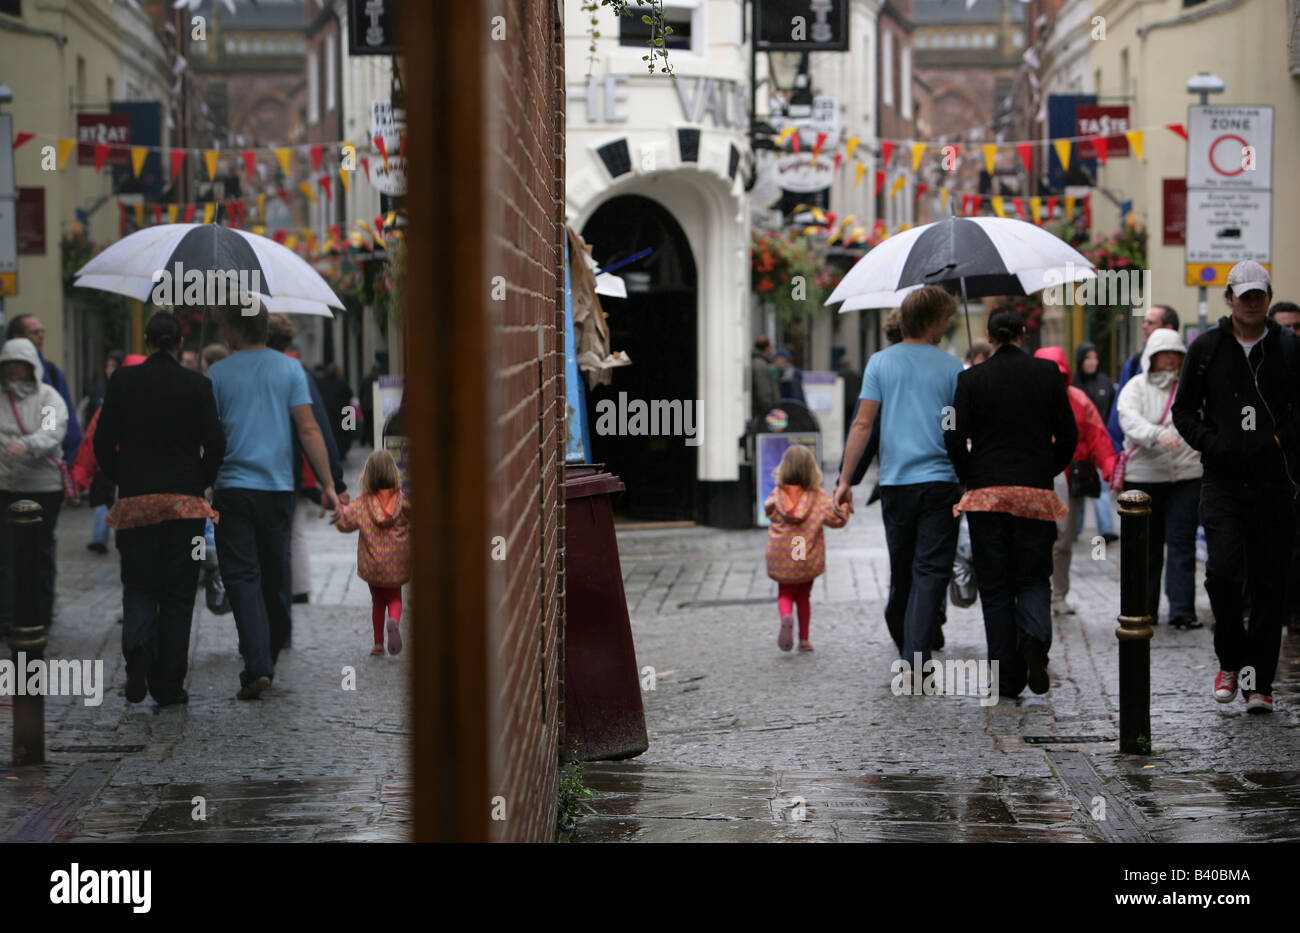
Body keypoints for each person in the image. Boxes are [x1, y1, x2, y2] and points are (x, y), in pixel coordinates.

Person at [1172, 260, 1300, 714]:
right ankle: (1230, 660)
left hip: (1273, 482)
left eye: (1258, 295)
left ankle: (1258, 683)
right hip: (1222, 481)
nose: (1251, 303)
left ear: (1268, 297)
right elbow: (1183, 411)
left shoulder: (1289, 347)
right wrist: (1212, 442)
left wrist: (1278, 440)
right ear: (1229, 299)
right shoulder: (1207, 347)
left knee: (1269, 583)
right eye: (1244, 296)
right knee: (1223, 575)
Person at [207, 304, 339, 700]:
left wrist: (203, 483)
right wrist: (329, 483)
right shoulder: (289, 369)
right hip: (279, 489)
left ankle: (258, 663)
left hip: (233, 489)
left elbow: (209, 436)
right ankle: (269, 653)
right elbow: (309, 428)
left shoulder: (217, 374)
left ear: (233, 329)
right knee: (275, 575)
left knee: (242, 578)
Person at [93, 314, 225, 706]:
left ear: (148, 341)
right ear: (179, 344)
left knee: (138, 584)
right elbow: (216, 443)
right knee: (179, 594)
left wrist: (124, 477)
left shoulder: (123, 381)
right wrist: (199, 480)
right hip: (184, 506)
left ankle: (138, 650)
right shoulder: (198, 385)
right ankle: (168, 684)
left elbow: (102, 441)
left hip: (136, 504)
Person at [945, 309, 1077, 697]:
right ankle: (1034, 638)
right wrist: (1045, 469)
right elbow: (1069, 434)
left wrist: (970, 473)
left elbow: (952, 434)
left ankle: (1006, 676)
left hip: (987, 494)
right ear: (1022, 333)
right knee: (1034, 576)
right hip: (1033, 493)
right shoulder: (1048, 374)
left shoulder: (969, 379)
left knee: (996, 584)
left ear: (989, 336)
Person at [835, 285, 963, 669]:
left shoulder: (880, 363)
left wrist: (845, 480)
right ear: (931, 321)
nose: (948, 325)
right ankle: (915, 658)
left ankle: (906, 639)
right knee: (930, 573)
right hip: (940, 482)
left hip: (896, 484)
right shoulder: (952, 368)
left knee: (903, 571)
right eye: (945, 319)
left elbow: (862, 424)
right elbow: (957, 428)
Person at [1116, 327, 1203, 630]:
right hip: (1145, 476)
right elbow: (1128, 419)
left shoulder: (1190, 386)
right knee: (1146, 547)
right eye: (1163, 353)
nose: (1169, 359)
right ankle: (1144, 609)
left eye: (1175, 353)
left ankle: (1182, 610)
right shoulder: (1135, 387)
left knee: (1182, 544)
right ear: (1151, 356)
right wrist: (1156, 434)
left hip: (1187, 475)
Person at [265, 315, 348, 613]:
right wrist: (334, 482)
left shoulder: (241, 368)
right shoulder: (296, 370)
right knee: (294, 530)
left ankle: (267, 598)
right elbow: (317, 426)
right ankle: (296, 592)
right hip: (290, 470)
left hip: (249, 472)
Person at [1034, 347, 1116, 616]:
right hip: (1032, 480)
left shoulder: (1078, 400)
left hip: (1069, 481)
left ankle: (1057, 595)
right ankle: (1036, 594)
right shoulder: (1025, 397)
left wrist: (1110, 469)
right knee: (1036, 541)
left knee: (1062, 542)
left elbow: (1097, 437)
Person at [0, 338, 68, 638]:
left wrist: (26, 444)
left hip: (43, 487)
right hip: (5, 485)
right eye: (9, 363)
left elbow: (51, 431)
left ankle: (41, 612)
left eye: (20, 363)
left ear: (32, 366)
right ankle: (7, 615)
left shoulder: (48, 397)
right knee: (6, 555)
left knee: (40, 553)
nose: (14, 369)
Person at [764, 444, 848, 653]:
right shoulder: (817, 497)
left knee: (785, 593)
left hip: (782, 554)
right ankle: (804, 639)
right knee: (803, 596)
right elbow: (836, 520)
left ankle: (786, 616)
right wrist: (845, 506)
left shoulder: (777, 495)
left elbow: (768, 511)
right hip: (802, 554)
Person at [331, 449, 411, 655]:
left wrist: (340, 512)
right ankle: (394, 621)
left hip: (373, 565)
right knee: (394, 599)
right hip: (396, 564)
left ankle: (378, 644)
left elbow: (346, 523)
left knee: (377, 602)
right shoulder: (400, 500)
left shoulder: (363, 502)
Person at [73, 353, 146, 555]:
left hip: (119, 471)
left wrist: (79, 477)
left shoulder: (112, 404)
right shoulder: (165, 403)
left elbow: (91, 441)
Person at [5, 314, 82, 465]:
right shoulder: (3, 394)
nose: (41, 336)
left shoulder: (48, 393)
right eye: (35, 332)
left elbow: (53, 428)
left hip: (42, 472)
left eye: (42, 332)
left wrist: (26, 445)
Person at [1106, 305, 1178, 451]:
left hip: (1180, 457)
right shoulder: (1134, 363)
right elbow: (1120, 415)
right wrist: (1118, 452)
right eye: (1144, 322)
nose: (1144, 327)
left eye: (1151, 323)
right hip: (1141, 453)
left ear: (1168, 328)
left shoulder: (1189, 364)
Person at [77, 350, 125, 553]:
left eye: (114, 366)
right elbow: (89, 425)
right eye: (108, 365)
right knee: (103, 496)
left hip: (122, 455)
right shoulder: (98, 391)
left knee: (117, 498)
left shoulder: (126, 389)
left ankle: (116, 537)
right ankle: (100, 537)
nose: (109, 370)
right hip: (103, 454)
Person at [1073, 342, 1118, 543]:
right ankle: (1074, 529)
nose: (1092, 362)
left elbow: (1113, 412)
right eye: (1088, 358)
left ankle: (1106, 529)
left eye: (1095, 358)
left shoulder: (1104, 382)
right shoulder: (1075, 384)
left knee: (1101, 487)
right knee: (1078, 488)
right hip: (1079, 446)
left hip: (1100, 443)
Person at [750, 337, 780, 429]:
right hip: (764, 415)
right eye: (771, 348)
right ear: (767, 348)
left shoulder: (760, 363)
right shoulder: (760, 365)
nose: (772, 351)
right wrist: (771, 411)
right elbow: (764, 392)